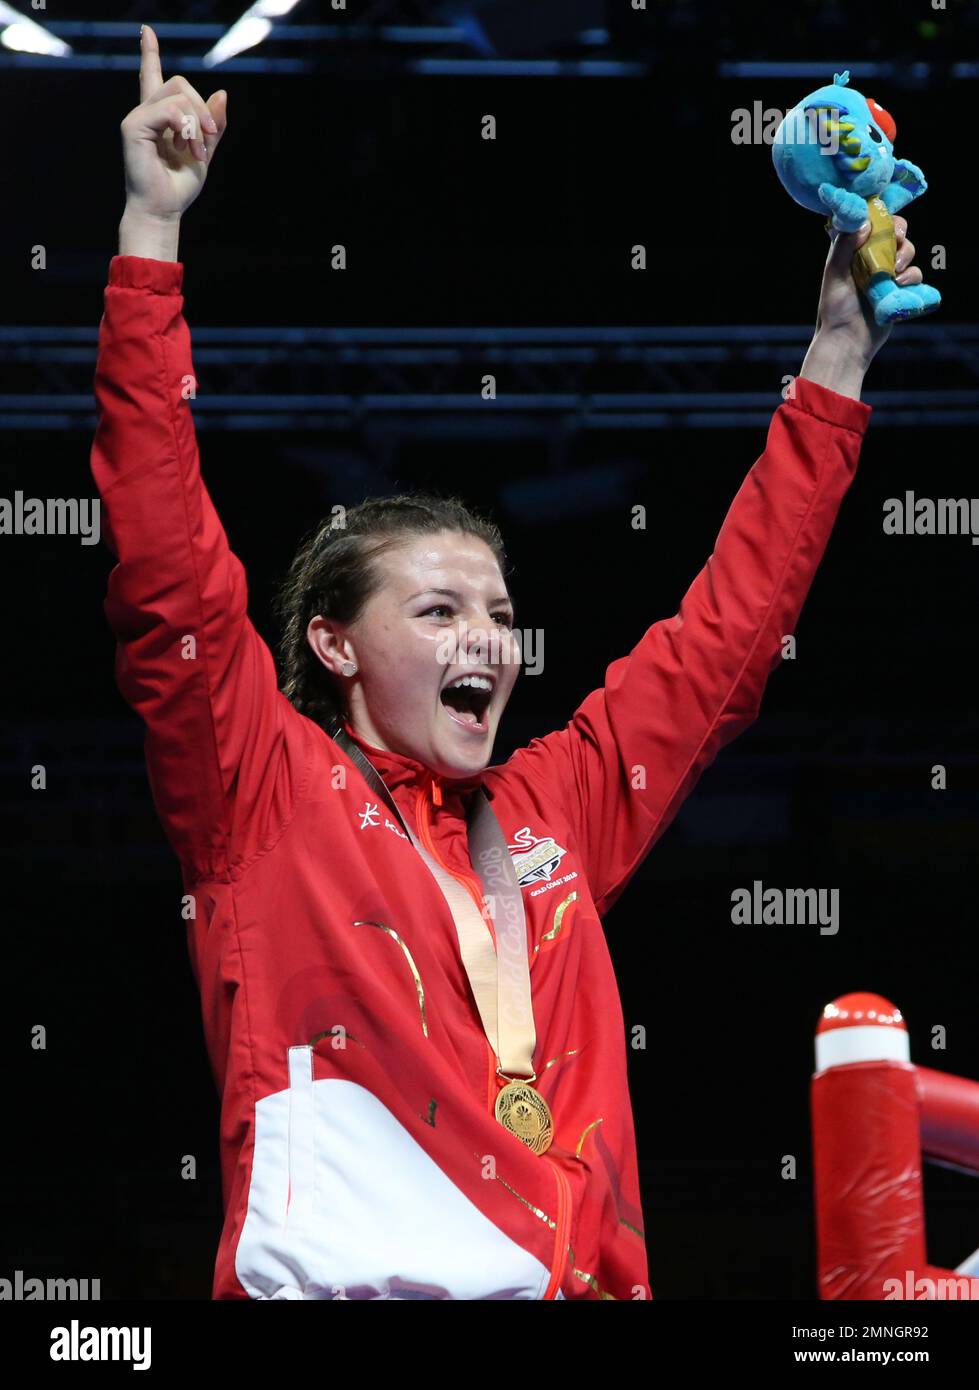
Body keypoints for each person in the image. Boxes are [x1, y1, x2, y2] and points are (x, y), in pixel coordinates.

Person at [92, 25, 926, 1300]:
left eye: (494, 610)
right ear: (331, 644)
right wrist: (152, 238)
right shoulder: (257, 789)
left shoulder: (551, 813)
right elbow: (168, 567)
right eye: (435, 613)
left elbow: (726, 637)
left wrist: (840, 358)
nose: (485, 635)